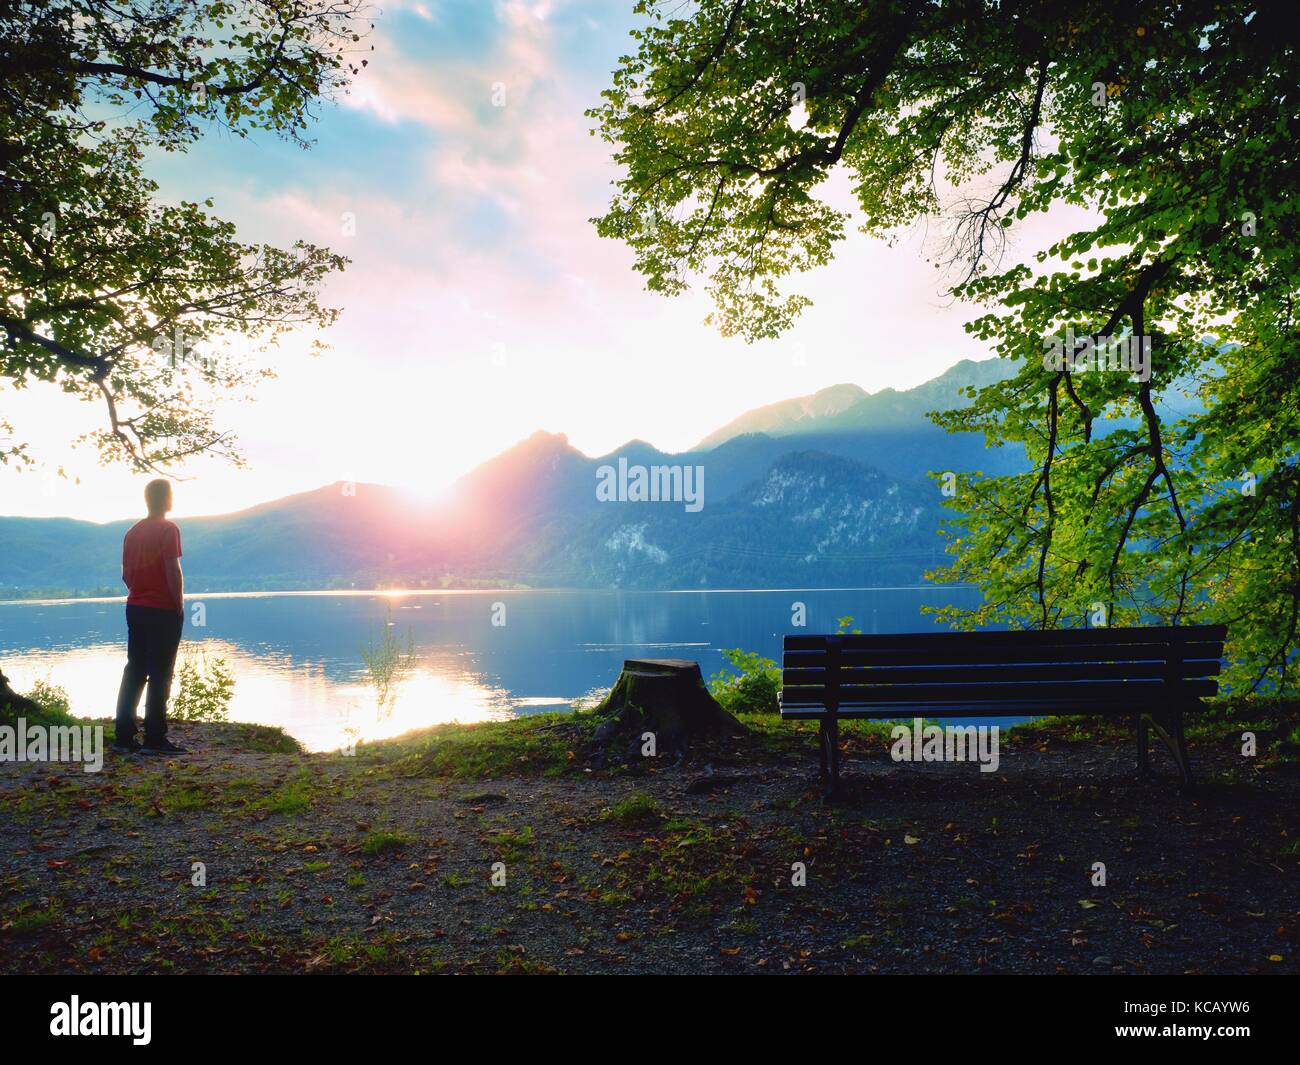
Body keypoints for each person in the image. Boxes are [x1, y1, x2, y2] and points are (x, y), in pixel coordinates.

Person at [112, 478, 187, 755]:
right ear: (166, 499)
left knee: (135, 670)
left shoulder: (132, 532)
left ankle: (123, 737)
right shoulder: (169, 529)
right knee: (160, 673)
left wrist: (139, 592)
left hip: (136, 607)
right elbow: (172, 570)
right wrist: (177, 603)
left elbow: (125, 574)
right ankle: (155, 739)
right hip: (163, 610)